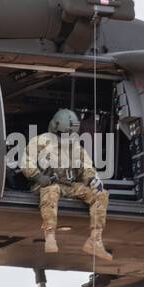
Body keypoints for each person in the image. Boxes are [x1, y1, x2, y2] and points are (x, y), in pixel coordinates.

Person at [21, 108, 112, 261]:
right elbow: (26, 161)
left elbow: (87, 167)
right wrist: (38, 177)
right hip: (47, 184)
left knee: (101, 195)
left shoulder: (75, 146)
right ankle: (50, 235)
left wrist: (92, 180)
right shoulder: (41, 141)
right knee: (51, 190)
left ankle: (95, 240)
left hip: (69, 185)